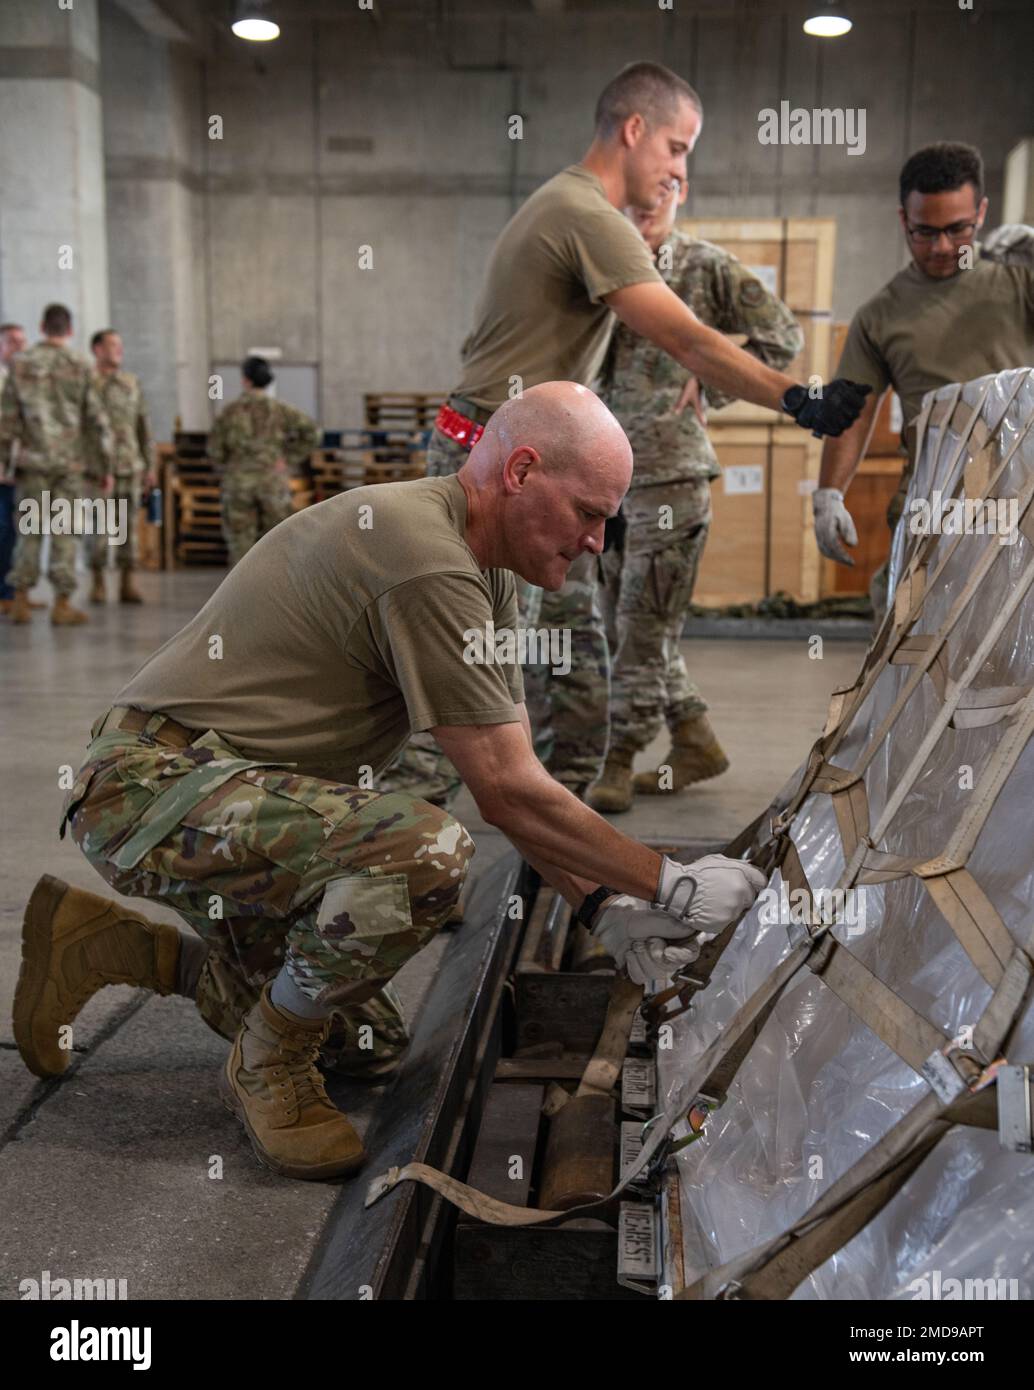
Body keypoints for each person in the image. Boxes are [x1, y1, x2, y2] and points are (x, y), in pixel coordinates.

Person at [14, 383, 766, 1182]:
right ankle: (265, 1067)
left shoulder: (488, 569)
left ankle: (109, 945)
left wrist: (602, 904)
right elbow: (503, 793)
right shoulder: (427, 561)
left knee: (358, 1035)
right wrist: (671, 884)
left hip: (217, 791)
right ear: (520, 471)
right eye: (587, 512)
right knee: (424, 853)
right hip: (144, 788)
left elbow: (516, 780)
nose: (595, 542)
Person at [384, 60, 869, 808]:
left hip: (537, 469)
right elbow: (690, 341)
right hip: (493, 470)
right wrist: (800, 401)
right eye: (677, 148)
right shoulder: (586, 214)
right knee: (477, 672)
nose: (680, 169)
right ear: (634, 130)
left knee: (578, 660)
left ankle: (561, 853)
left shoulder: (578, 213)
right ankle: (390, 869)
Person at [592, 181, 803, 812]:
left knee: (641, 624)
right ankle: (694, 737)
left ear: (679, 191)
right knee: (623, 622)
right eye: (633, 194)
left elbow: (782, 335)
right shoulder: (600, 269)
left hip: (671, 475)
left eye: (661, 191)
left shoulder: (702, 266)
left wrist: (712, 383)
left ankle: (619, 756)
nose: (646, 206)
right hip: (603, 477)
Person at [812, 143, 1034, 610]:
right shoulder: (881, 315)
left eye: (959, 229)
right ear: (902, 220)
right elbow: (854, 410)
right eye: (924, 232)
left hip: (1022, 505)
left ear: (983, 212)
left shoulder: (1018, 286)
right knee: (913, 656)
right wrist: (829, 493)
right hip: (931, 510)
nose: (942, 247)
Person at [0, 304, 113, 625]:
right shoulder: (81, 364)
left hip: (32, 463)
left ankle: (20, 598)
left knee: (30, 529)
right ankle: (62, 603)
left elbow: (8, 419)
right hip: (70, 464)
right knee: (66, 531)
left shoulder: (22, 365)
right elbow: (97, 421)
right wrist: (104, 467)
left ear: (41, 326)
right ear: (70, 330)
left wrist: (3, 461)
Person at [208, 356, 320, 565]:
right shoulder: (280, 410)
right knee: (277, 542)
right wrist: (287, 457)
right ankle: (273, 592)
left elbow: (214, 451)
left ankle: (242, 594)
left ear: (245, 380)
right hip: (272, 481)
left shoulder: (229, 412)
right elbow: (313, 433)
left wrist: (232, 462)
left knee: (240, 544)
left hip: (239, 483)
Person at [86, 329, 155, 605]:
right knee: (99, 529)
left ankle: (128, 583)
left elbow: (143, 426)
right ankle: (98, 583)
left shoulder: (131, 383)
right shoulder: (86, 384)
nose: (118, 351)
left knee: (128, 529)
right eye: (112, 345)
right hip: (98, 470)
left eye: (120, 346)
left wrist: (150, 465)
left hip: (130, 466)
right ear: (97, 350)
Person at [0, 322, 28, 615]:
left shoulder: (23, 378)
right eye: (12, 341)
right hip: (2, 468)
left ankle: (16, 591)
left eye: (22, 341)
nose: (19, 346)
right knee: (4, 531)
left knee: (20, 532)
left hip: (20, 468)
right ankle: (5, 592)